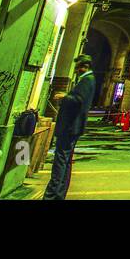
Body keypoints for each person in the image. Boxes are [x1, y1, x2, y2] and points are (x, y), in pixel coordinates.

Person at [43, 54, 97, 200]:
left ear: (84, 67)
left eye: (78, 67)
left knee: (60, 161)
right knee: (65, 161)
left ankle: (52, 195)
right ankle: (59, 194)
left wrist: (64, 97)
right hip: (73, 127)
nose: (76, 69)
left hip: (70, 127)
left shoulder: (87, 80)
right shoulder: (87, 80)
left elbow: (78, 101)